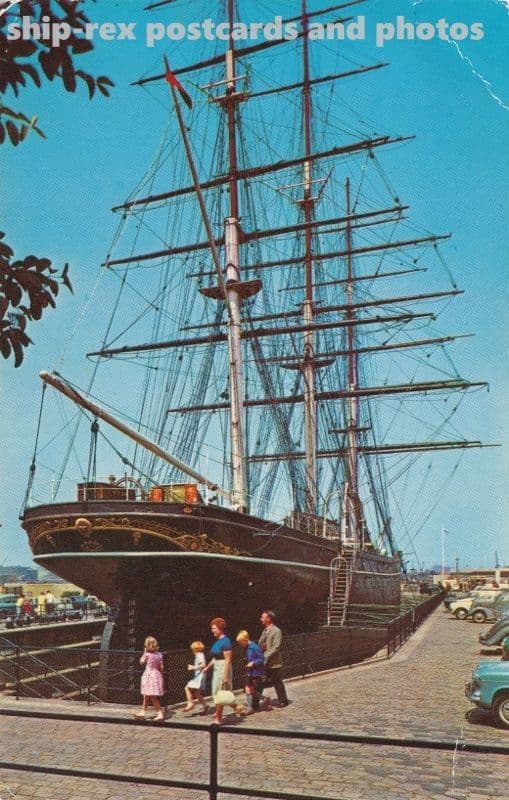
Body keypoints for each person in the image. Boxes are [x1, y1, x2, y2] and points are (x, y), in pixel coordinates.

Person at [202, 617, 236, 725]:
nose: (212, 630)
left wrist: (225, 676)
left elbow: (227, 659)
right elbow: (216, 658)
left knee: (220, 692)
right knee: (215, 692)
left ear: (220, 629)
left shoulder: (226, 641)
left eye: (214, 628)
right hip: (217, 666)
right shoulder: (218, 641)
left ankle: (219, 718)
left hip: (223, 668)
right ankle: (218, 713)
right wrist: (208, 667)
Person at [258, 610, 289, 708]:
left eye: (263, 617)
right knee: (260, 681)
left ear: (269, 619)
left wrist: (265, 655)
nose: (261, 619)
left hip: (274, 662)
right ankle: (255, 703)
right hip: (264, 662)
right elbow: (261, 643)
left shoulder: (277, 631)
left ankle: (283, 701)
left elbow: (276, 646)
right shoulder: (264, 631)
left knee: (277, 682)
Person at [134, 636, 164, 721]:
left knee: (151, 696)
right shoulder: (159, 655)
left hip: (148, 675)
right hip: (156, 675)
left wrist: (144, 653)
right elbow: (161, 667)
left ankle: (159, 713)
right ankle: (142, 712)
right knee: (146, 695)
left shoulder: (147, 654)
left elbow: (141, 662)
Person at [236, 630, 265, 713]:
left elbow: (261, 659)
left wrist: (252, 663)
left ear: (245, 640)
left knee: (252, 690)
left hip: (256, 672)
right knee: (248, 689)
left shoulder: (254, 647)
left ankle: (263, 700)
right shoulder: (248, 647)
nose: (240, 645)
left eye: (241, 642)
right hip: (251, 672)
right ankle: (251, 707)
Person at [183, 640, 208, 714]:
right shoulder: (200, 655)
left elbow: (203, 665)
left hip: (199, 676)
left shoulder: (199, 655)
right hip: (200, 675)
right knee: (197, 693)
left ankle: (190, 703)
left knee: (187, 688)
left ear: (195, 649)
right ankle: (205, 706)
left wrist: (192, 667)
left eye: (193, 649)